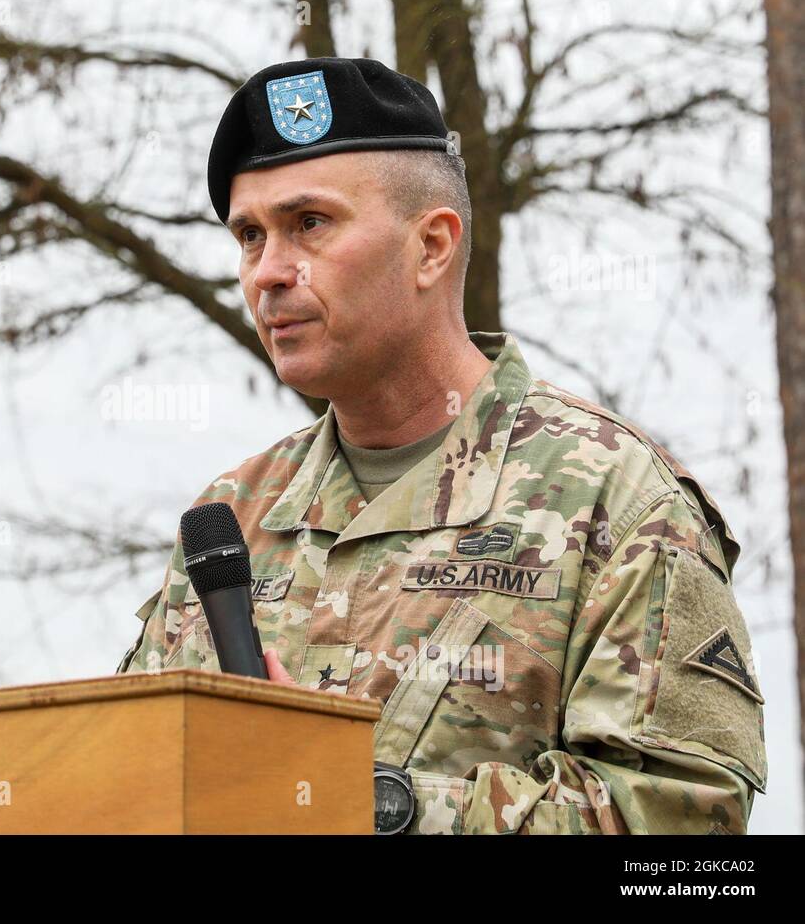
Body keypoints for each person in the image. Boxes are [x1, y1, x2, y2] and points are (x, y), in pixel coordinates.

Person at [116, 57, 767, 834]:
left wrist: (364, 804)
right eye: (250, 236)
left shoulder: (616, 502)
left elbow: (680, 832)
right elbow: (125, 781)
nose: (268, 273)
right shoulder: (229, 522)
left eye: (309, 225)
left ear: (431, 247)